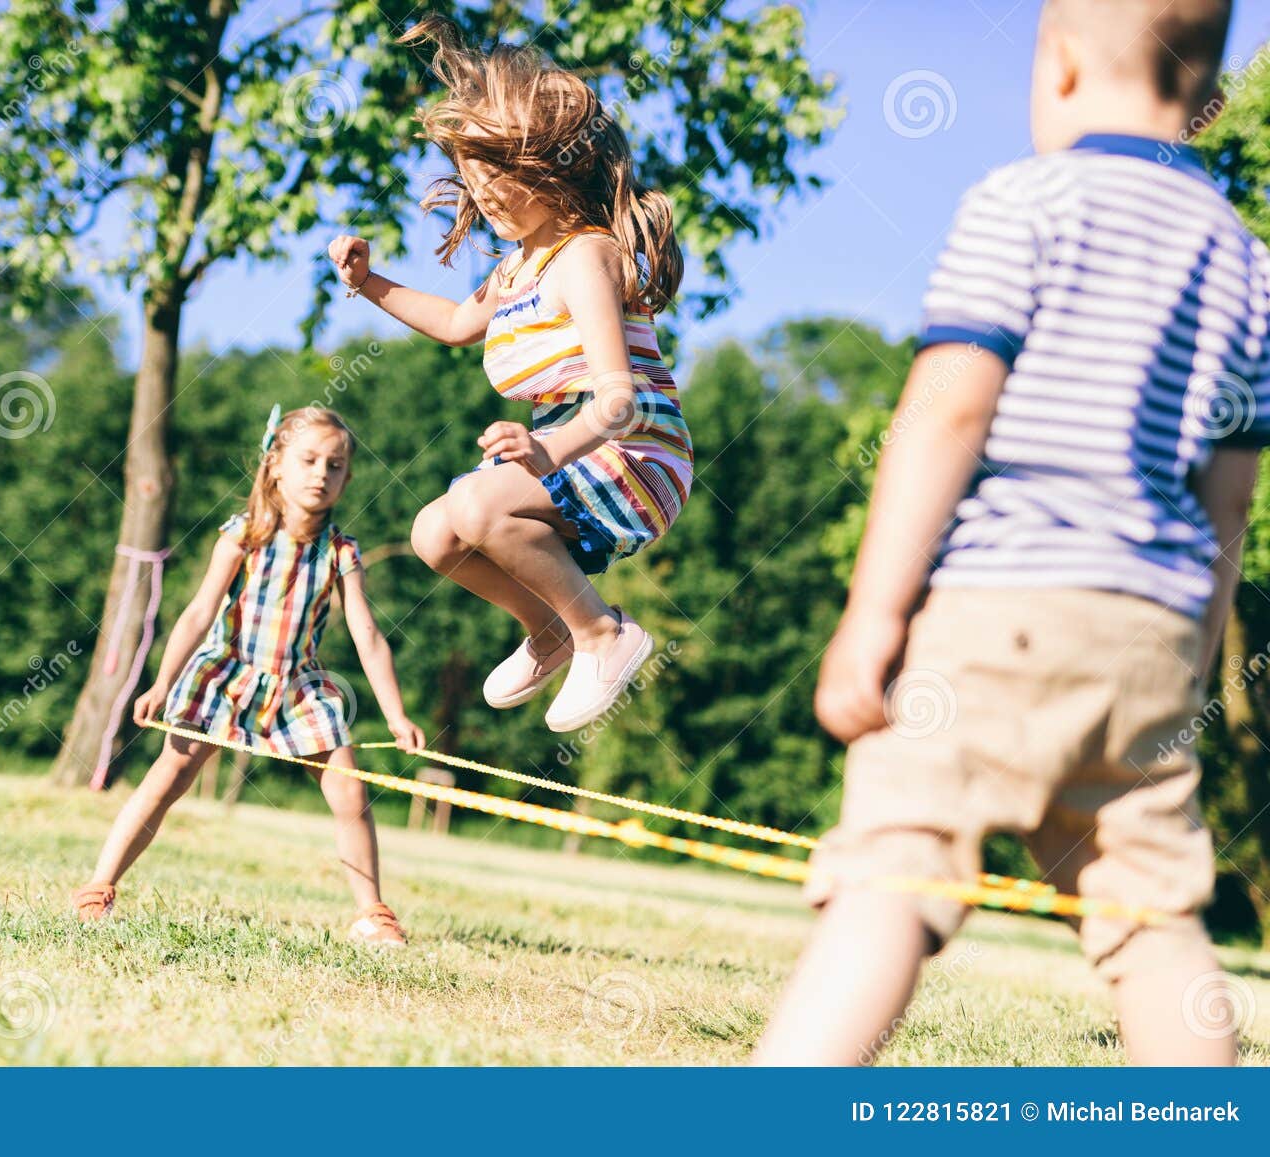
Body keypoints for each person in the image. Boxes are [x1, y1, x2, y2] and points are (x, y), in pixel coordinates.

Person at [755, 0, 1262, 1065]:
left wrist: (873, 613)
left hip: (1001, 607)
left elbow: (947, 409)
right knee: (1151, 915)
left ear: (1060, 63)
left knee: (892, 872)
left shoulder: (1023, 201)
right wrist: (1191, 654)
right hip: (1154, 635)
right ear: (1208, 94)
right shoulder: (1246, 262)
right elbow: (1229, 500)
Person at [328, 15, 692, 733]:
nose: (481, 193)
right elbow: (457, 325)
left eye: (493, 174)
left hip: (635, 450)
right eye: (470, 176)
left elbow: (619, 398)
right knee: (436, 532)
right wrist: (370, 283)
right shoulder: (513, 268)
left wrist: (548, 451)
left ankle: (603, 634)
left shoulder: (584, 257)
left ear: (549, 167)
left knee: (477, 508)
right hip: (577, 449)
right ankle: (553, 629)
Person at [72, 406, 425, 947]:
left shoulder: (341, 551)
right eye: (308, 460)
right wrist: (162, 683)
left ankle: (372, 914)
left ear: (347, 478)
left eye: (335, 466)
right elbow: (197, 613)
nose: (321, 474)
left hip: (299, 687)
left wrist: (397, 715)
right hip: (225, 677)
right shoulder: (243, 535)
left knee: (351, 795)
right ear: (276, 466)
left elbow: (368, 636)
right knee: (168, 780)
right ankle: (99, 887)